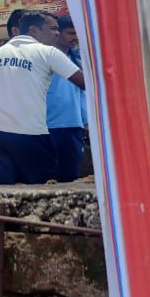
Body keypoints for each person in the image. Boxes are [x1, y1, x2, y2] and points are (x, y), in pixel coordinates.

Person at [0, 10, 86, 186]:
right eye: (52, 28)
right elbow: (86, 83)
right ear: (34, 30)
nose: (57, 33)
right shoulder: (48, 53)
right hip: (30, 134)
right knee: (36, 195)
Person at [45, 15, 89, 182]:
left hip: (73, 127)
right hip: (48, 126)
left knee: (70, 177)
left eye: (76, 33)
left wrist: (85, 121)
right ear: (57, 34)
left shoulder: (77, 59)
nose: (75, 38)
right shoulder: (43, 57)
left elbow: (81, 92)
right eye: (70, 33)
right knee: (47, 179)